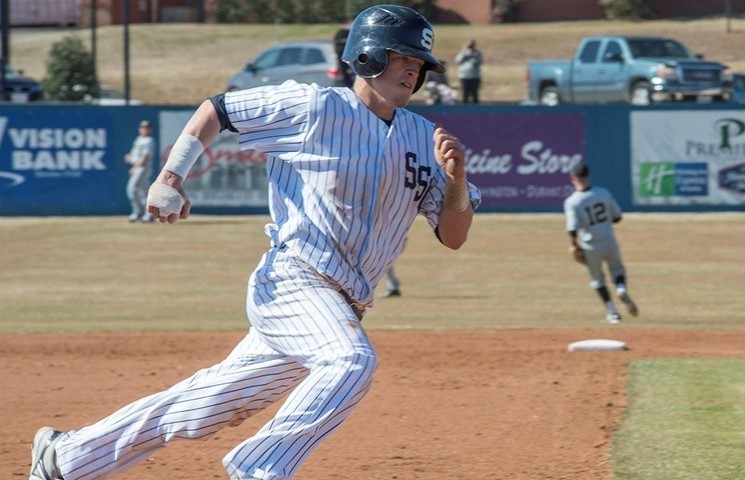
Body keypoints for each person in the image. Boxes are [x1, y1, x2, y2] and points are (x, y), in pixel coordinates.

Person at [28, 5, 480, 480]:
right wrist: (170, 176)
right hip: (294, 281)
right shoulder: (313, 107)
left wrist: (455, 182)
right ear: (367, 56)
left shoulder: (424, 139)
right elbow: (218, 110)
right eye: (402, 57)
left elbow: (453, 236)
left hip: (341, 306)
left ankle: (68, 458)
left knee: (202, 408)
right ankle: (259, 469)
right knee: (350, 360)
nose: (412, 70)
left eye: (419, 64)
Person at [563, 161, 638, 325]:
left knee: (597, 280)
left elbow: (572, 228)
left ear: (573, 178)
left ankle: (613, 313)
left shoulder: (572, 201)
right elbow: (617, 217)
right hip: (609, 240)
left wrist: (574, 244)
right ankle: (621, 289)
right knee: (617, 270)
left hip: (590, 245)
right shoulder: (603, 193)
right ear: (588, 176)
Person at [124, 119, 155, 223]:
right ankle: (146, 214)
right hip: (138, 167)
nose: (144, 129)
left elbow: (144, 158)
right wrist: (130, 157)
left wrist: (135, 168)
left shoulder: (149, 140)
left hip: (142, 168)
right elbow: (135, 154)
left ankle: (139, 213)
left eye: (147, 128)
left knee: (131, 189)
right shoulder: (138, 139)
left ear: (150, 130)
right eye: (143, 127)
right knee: (143, 191)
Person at [454, 39, 482, 104]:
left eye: (472, 46)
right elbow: (458, 60)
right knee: (465, 93)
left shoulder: (477, 53)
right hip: (464, 76)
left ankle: (476, 107)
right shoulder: (463, 53)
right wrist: (465, 54)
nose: (470, 47)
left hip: (474, 76)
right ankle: (464, 107)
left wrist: (472, 56)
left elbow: (479, 61)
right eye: (469, 46)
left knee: (474, 93)